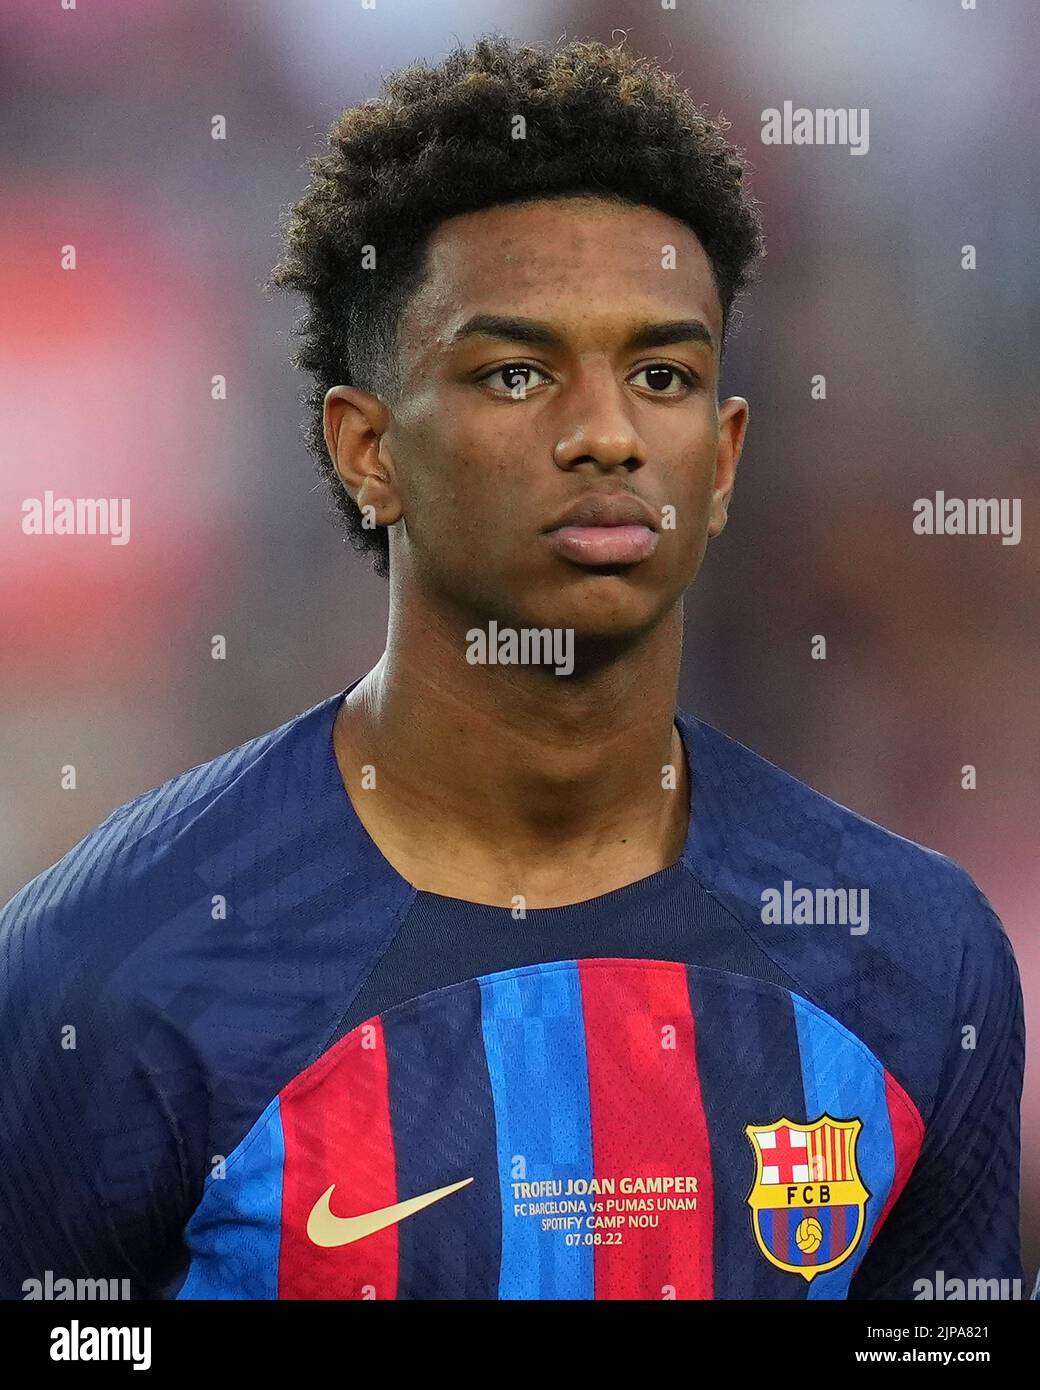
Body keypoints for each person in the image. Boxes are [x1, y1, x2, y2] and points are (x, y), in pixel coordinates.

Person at [0, 35, 1024, 1302]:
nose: (603, 434)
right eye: (516, 372)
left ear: (721, 456)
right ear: (366, 449)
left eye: (661, 375)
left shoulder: (912, 956)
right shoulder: (108, 972)